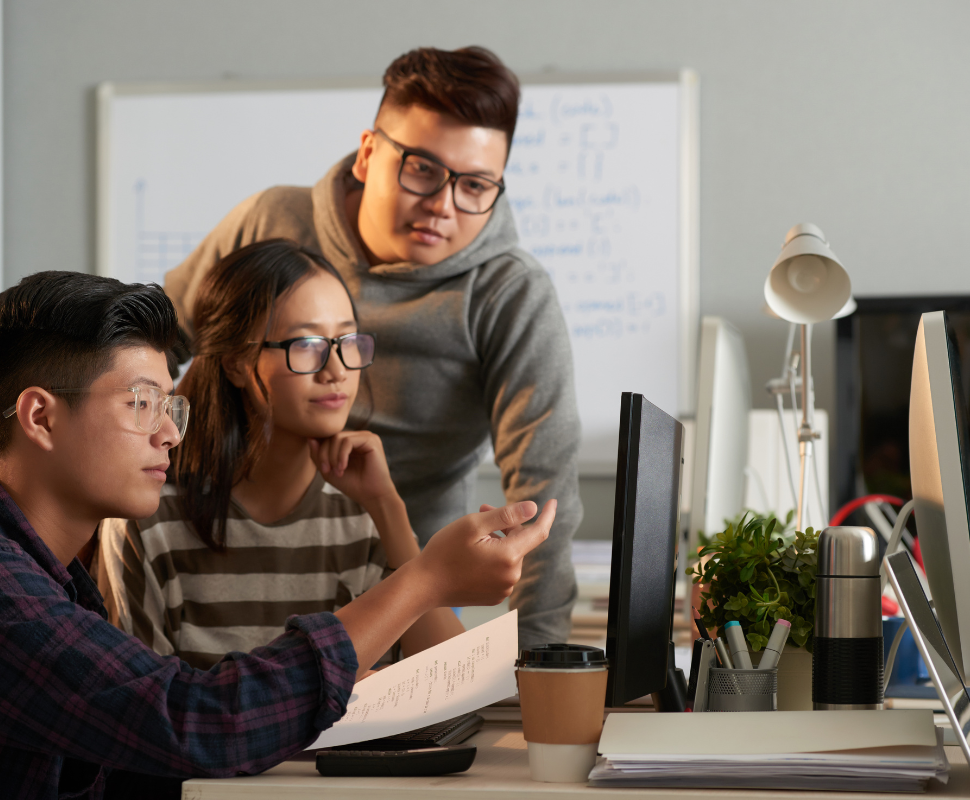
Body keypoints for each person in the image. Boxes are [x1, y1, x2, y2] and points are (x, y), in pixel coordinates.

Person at [0, 270, 552, 799]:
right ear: (41, 418)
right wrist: (425, 579)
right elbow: (196, 721)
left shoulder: (57, 583)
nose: (169, 433)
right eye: (141, 404)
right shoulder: (12, 591)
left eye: (170, 407)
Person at [163, 46, 583, 647]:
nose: (443, 205)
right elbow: (156, 342)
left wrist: (543, 660)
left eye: (476, 185)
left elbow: (545, 495)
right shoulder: (271, 220)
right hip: (231, 554)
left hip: (403, 573)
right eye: (421, 169)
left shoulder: (509, 293)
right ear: (368, 154)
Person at [99, 239, 463, 668]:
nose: (337, 370)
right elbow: (146, 709)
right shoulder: (149, 514)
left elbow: (453, 674)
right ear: (236, 360)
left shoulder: (362, 511)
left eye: (346, 339)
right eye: (306, 344)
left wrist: (387, 507)